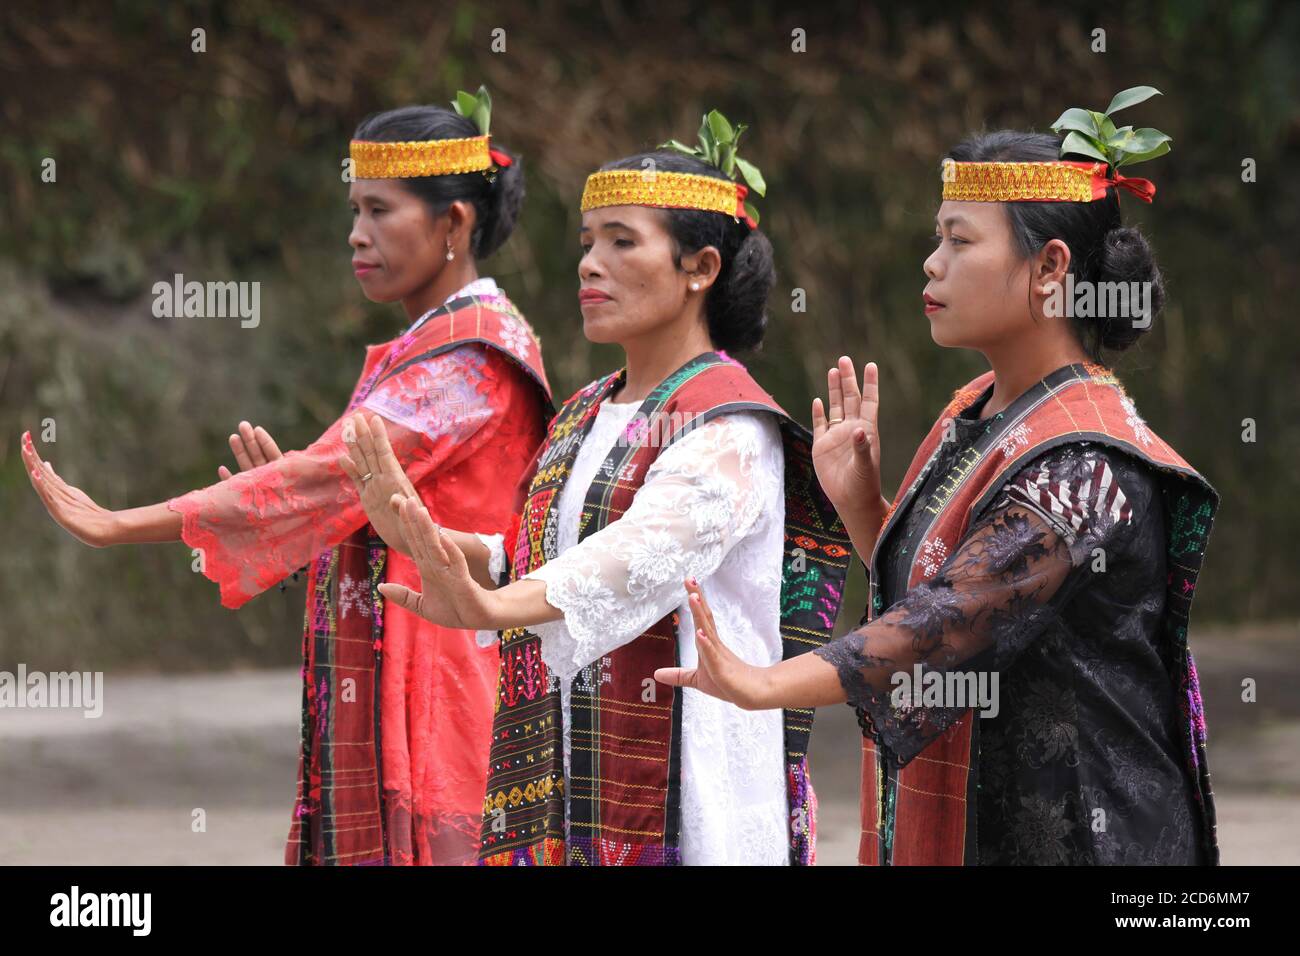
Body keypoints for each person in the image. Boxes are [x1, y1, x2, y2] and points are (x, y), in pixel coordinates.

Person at [654, 102, 1220, 865]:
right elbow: (949, 585)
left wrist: (759, 684)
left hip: (1090, 833)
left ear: (1051, 268)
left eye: (959, 241)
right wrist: (864, 509)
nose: (933, 262)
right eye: (936, 238)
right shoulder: (978, 409)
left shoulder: (1086, 459)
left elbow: (948, 621)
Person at [21, 90, 553, 866]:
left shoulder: (469, 356)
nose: (355, 235)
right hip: (428, 660)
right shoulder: (442, 343)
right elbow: (346, 491)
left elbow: (325, 477)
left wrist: (120, 522)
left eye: (379, 210)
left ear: (454, 223)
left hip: (444, 679)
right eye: (354, 210)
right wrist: (320, 508)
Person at [349, 112, 852, 865]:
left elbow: (636, 558)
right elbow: (536, 554)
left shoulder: (729, 423)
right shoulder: (587, 410)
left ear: (701, 267)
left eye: (622, 241)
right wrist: (419, 536)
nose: (589, 265)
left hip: (691, 780)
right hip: (566, 763)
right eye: (587, 243)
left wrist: (490, 605)